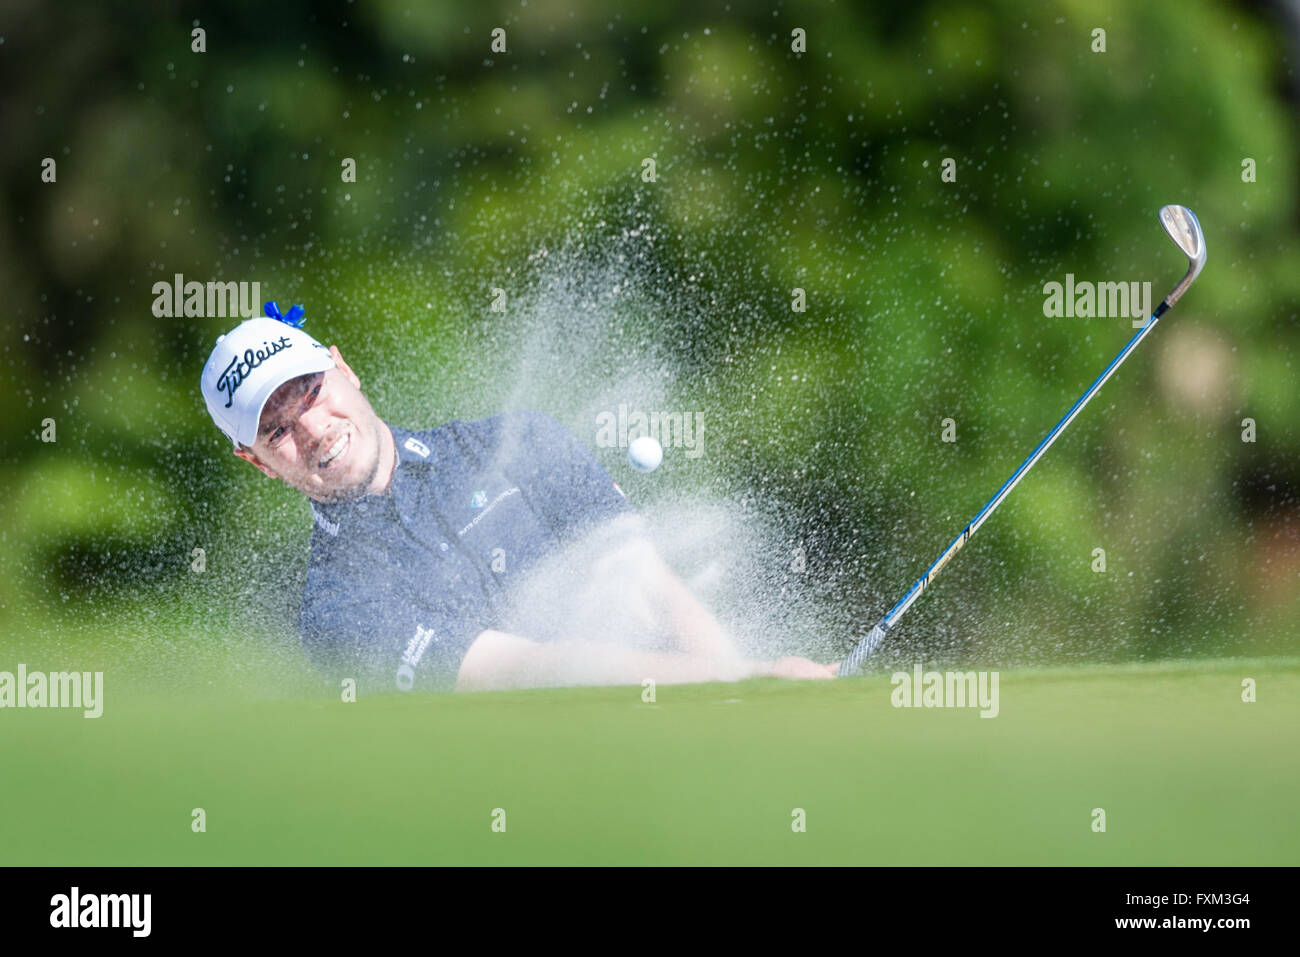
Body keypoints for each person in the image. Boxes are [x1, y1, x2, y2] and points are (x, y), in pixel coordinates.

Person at [200, 303, 837, 692]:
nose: (311, 430)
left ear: (344, 367)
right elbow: (527, 673)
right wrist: (744, 684)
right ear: (255, 462)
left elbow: (645, 584)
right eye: (276, 429)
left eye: (309, 391)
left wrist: (749, 702)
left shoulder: (522, 440)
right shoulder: (339, 612)